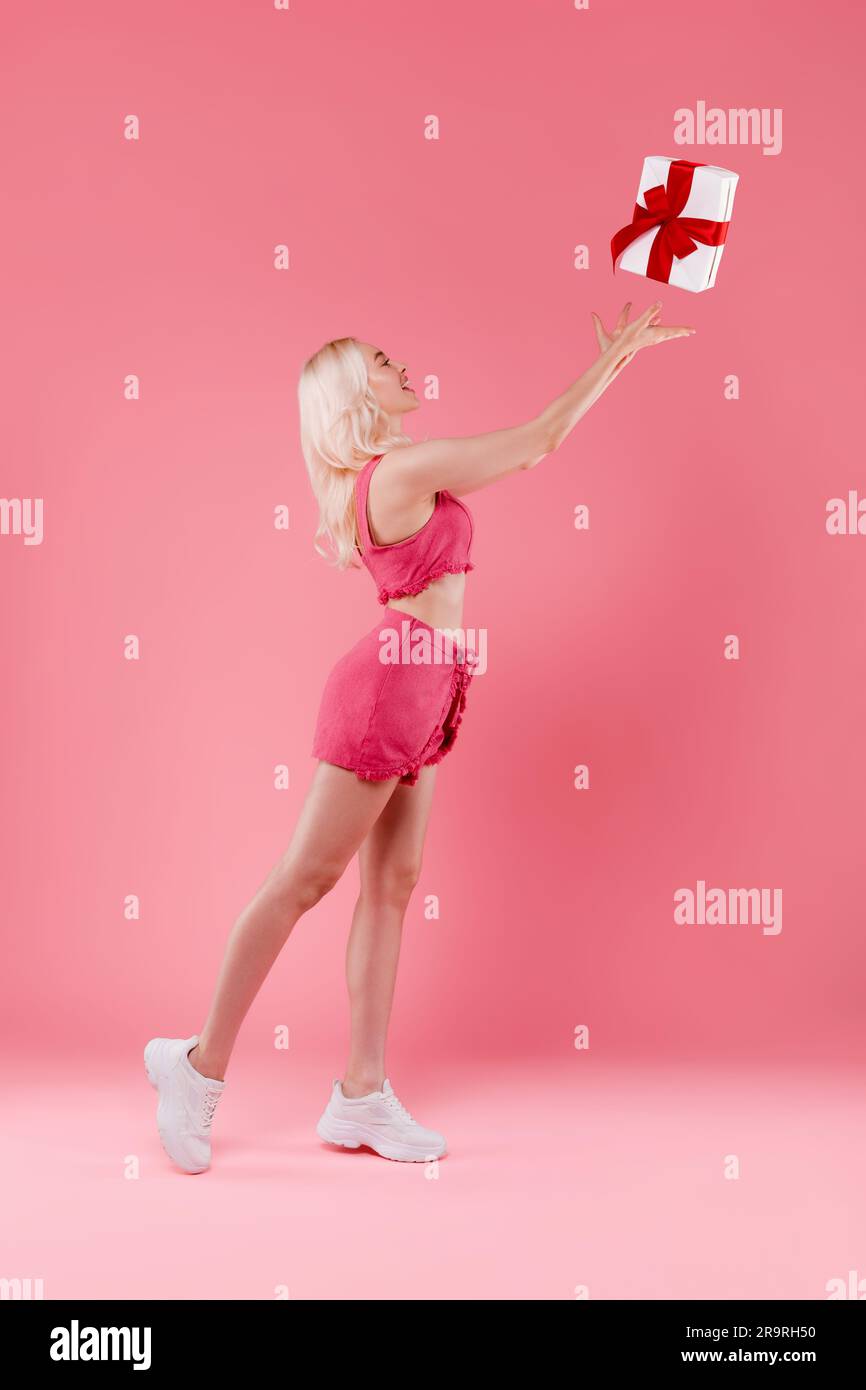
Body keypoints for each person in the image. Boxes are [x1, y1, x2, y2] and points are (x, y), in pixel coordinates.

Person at [144, 299, 694, 1172]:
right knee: (304, 881)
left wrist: (618, 362)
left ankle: (361, 1094)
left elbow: (536, 443)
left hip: (427, 683)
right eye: (383, 360)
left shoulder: (388, 474)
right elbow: (538, 441)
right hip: (388, 684)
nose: (403, 366)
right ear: (356, 393)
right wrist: (617, 356)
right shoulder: (393, 473)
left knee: (394, 885)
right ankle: (196, 1067)